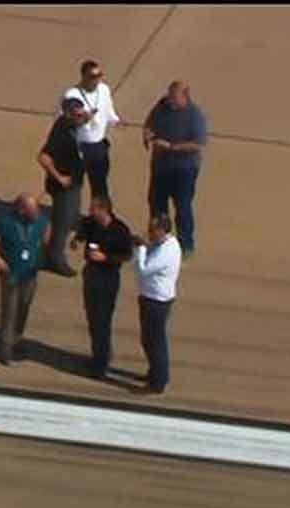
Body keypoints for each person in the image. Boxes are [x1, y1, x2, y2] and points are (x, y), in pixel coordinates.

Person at [0, 193, 50, 365]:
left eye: (37, 210)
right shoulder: (6, 222)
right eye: (32, 211)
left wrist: (43, 249)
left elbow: (47, 227)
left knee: (24, 307)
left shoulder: (40, 221)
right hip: (11, 273)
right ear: (21, 210)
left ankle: (17, 340)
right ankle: (5, 349)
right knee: (9, 310)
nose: (36, 214)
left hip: (30, 273)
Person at [70, 196, 134, 378]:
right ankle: (99, 355)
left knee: (102, 320)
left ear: (104, 210)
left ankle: (100, 365)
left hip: (108, 278)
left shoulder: (120, 230)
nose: (90, 212)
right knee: (92, 318)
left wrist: (106, 258)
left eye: (93, 209)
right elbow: (82, 231)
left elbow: (127, 255)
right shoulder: (90, 223)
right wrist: (76, 240)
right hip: (91, 274)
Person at [143, 80, 208, 258]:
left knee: (182, 206)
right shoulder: (163, 105)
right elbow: (150, 120)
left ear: (185, 97)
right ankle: (158, 239)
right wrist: (147, 132)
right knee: (157, 205)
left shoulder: (195, 116)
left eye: (174, 97)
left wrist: (171, 147)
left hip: (184, 169)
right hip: (160, 166)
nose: (170, 100)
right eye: (169, 95)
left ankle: (185, 244)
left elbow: (197, 144)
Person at [38, 97, 89, 277]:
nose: (81, 117)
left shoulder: (71, 125)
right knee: (63, 222)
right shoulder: (61, 132)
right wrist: (59, 177)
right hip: (64, 187)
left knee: (69, 217)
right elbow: (43, 158)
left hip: (74, 184)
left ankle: (50, 250)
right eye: (78, 115)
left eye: (82, 113)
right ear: (68, 114)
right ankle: (54, 258)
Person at [134, 214, 182, 394]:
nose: (149, 233)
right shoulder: (164, 244)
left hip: (157, 301)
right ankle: (155, 373)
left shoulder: (166, 251)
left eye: (152, 230)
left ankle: (158, 382)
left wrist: (140, 249)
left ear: (162, 230)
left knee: (155, 341)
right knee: (149, 340)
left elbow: (144, 269)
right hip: (151, 297)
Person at [61, 60, 122, 203]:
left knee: (100, 185)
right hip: (79, 147)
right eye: (93, 76)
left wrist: (114, 120)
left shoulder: (104, 89)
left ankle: (101, 215)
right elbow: (64, 121)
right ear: (84, 76)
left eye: (99, 75)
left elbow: (108, 107)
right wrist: (83, 120)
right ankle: (70, 213)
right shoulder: (71, 95)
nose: (97, 80)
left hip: (98, 146)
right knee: (74, 184)